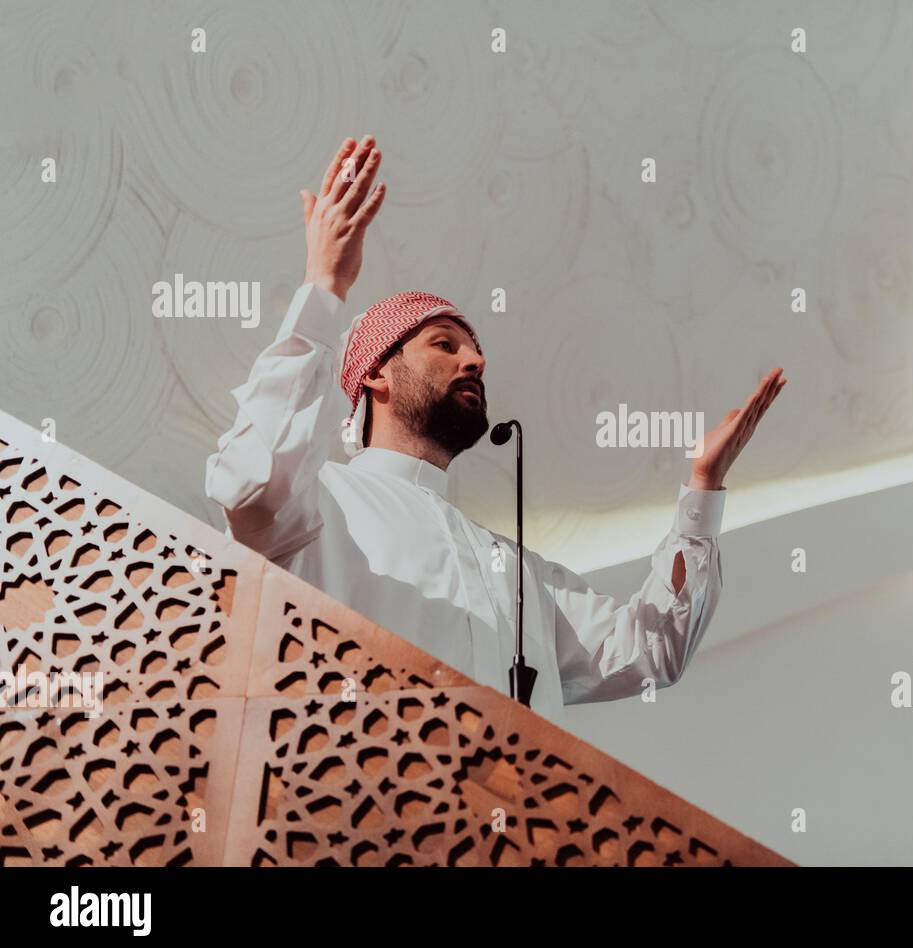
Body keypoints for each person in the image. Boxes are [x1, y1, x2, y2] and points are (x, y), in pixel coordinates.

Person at [205, 135, 786, 721]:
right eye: (444, 344)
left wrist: (703, 488)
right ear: (375, 376)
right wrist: (323, 286)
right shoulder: (321, 504)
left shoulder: (513, 570)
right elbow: (250, 484)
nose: (475, 361)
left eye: (476, 350)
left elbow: (652, 649)